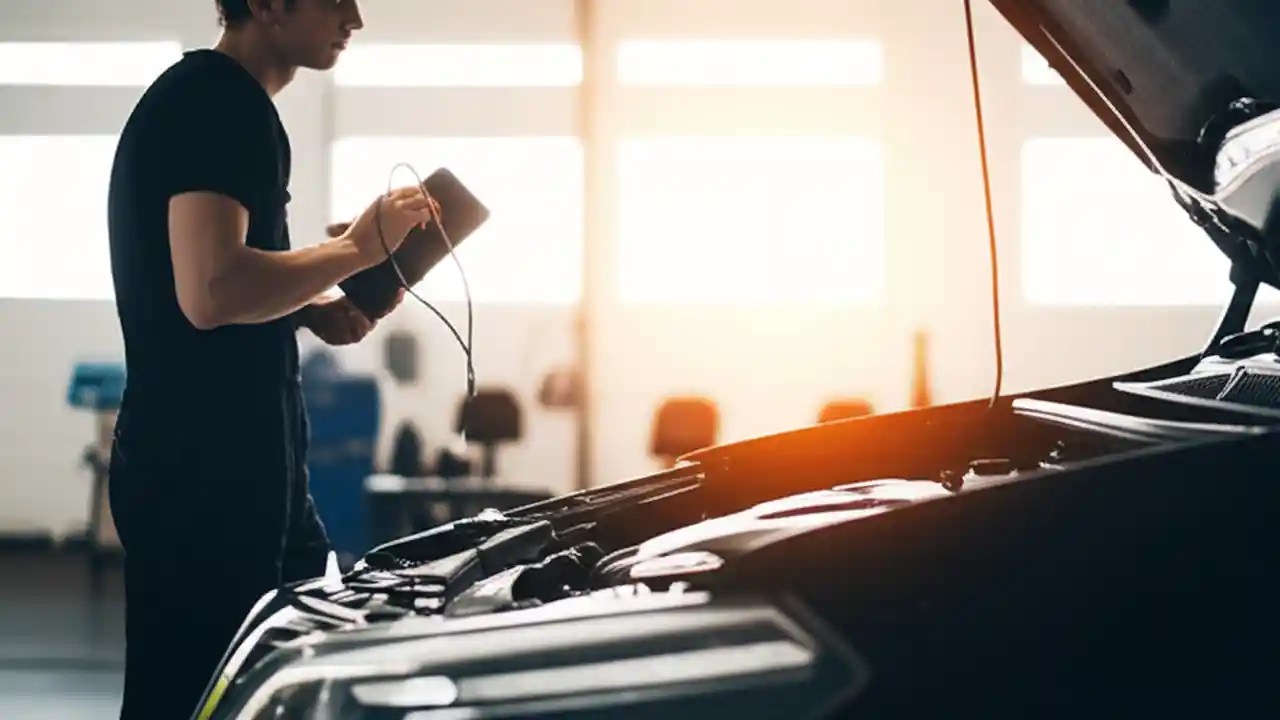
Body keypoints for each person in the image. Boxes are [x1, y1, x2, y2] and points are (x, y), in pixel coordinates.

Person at [104, 1, 435, 717]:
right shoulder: (216, 101)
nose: (356, 17)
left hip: (248, 472)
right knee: (195, 699)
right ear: (270, 3)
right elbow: (213, 290)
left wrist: (312, 306)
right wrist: (352, 251)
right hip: (203, 479)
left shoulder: (228, 103)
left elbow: (210, 286)